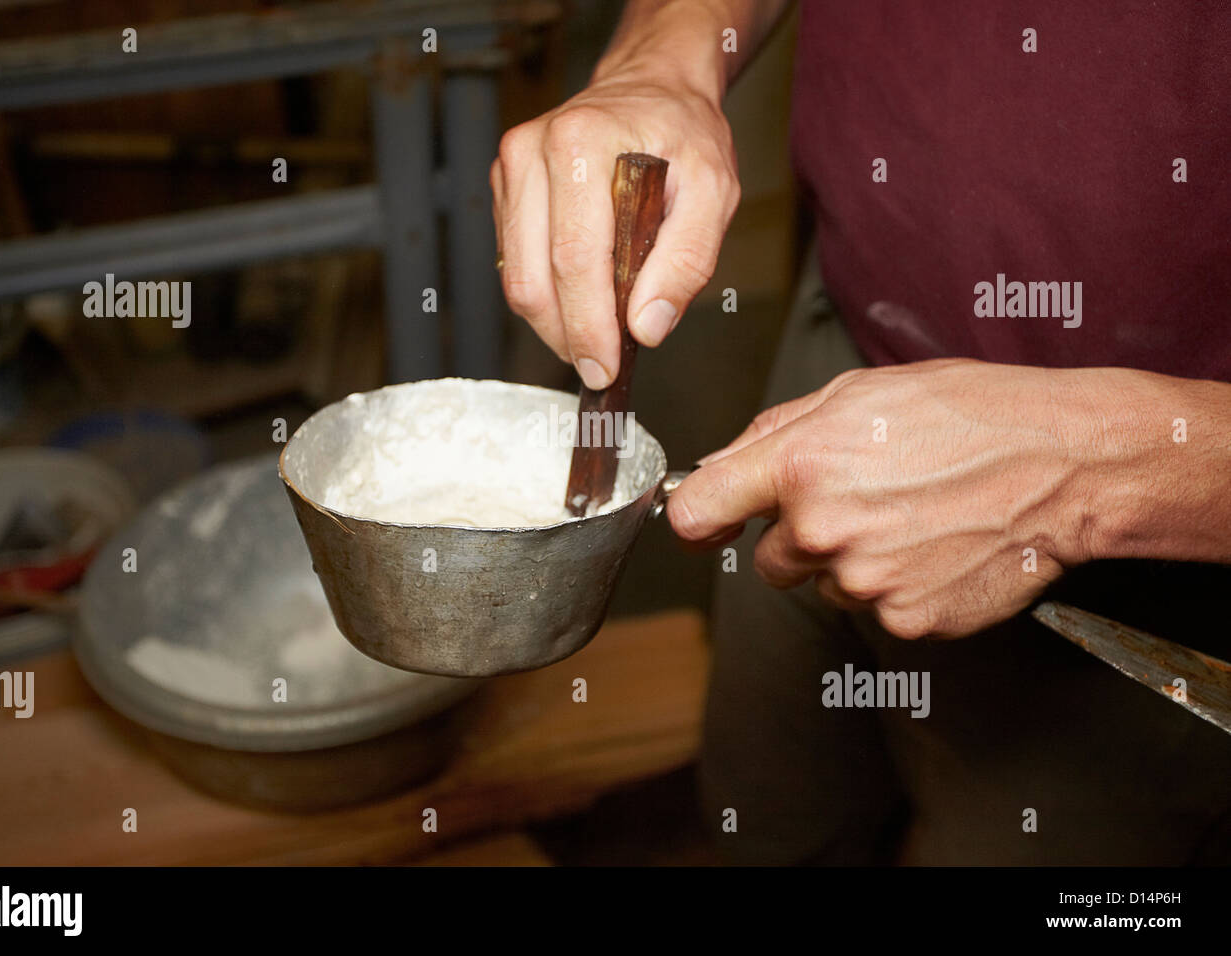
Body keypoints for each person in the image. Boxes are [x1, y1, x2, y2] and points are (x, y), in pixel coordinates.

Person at [489, 0, 1231, 864]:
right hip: (838, 344)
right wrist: (666, 56)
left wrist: (1090, 476)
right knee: (764, 813)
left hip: (1157, 538)